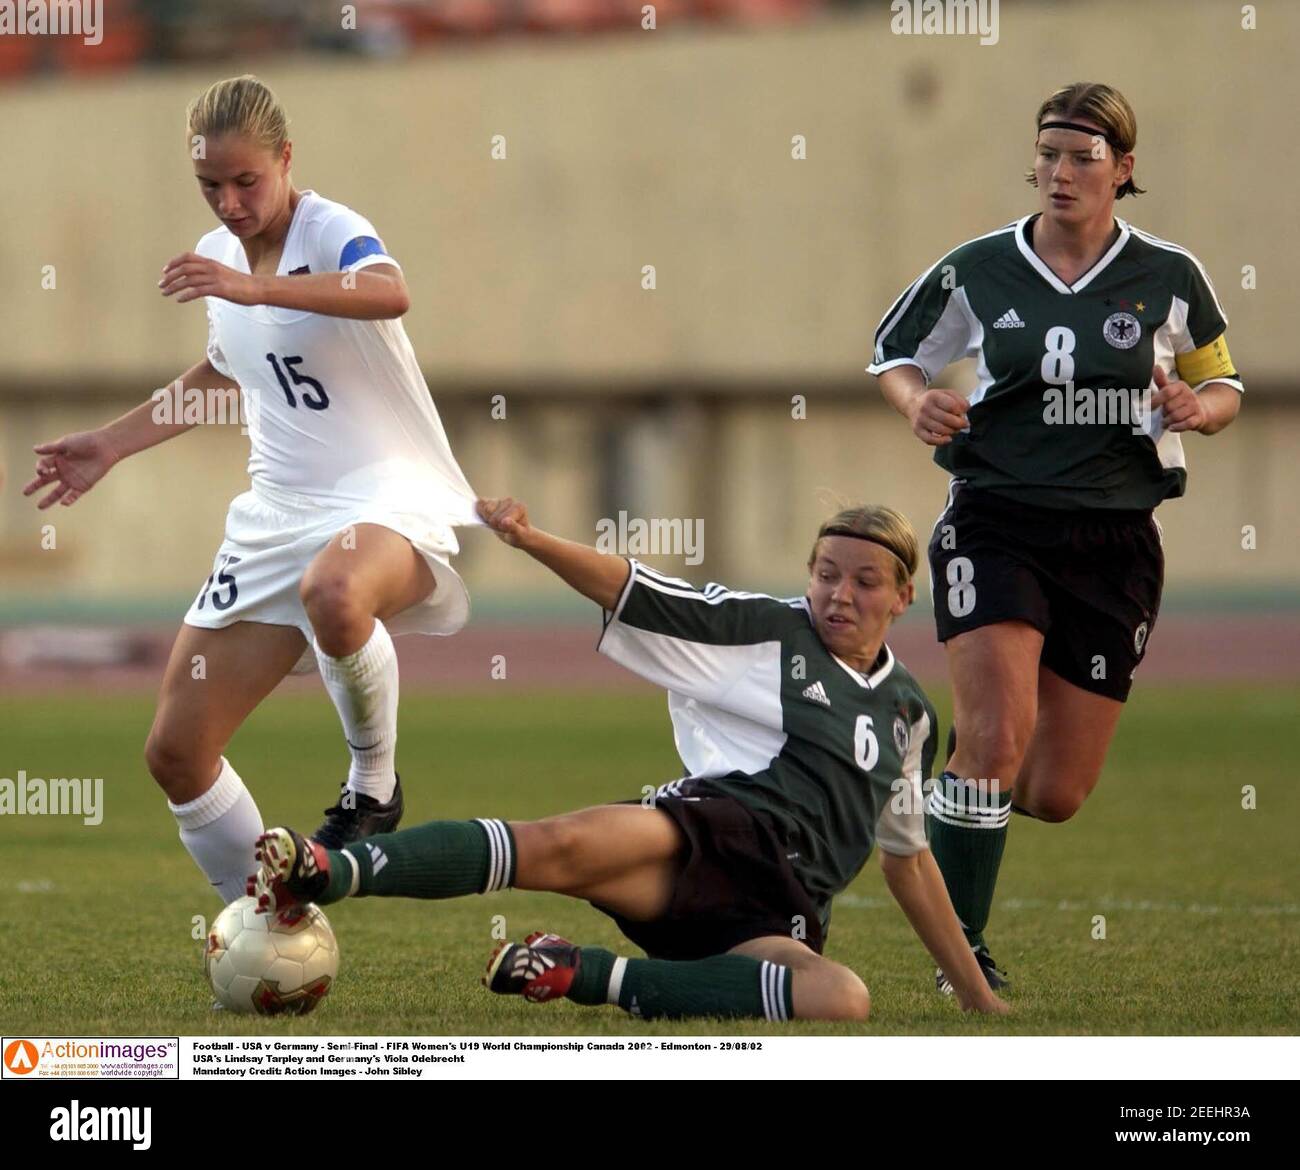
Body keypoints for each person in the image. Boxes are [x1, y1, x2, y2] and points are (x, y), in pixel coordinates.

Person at [249, 496, 1009, 1022]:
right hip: (717, 830)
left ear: (904, 594)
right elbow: (640, 591)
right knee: (558, 846)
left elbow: (907, 860)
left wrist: (977, 994)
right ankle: (329, 869)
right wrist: (532, 539)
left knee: (843, 998)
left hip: (781, 906)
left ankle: (585, 974)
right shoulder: (766, 630)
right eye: (826, 573)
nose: (839, 594)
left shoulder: (909, 710)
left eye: (865, 581)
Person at [22, 75, 480, 900]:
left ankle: (373, 786)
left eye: (246, 182)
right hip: (275, 514)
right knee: (175, 753)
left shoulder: (330, 228)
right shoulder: (221, 259)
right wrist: (113, 444)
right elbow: (228, 368)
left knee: (336, 590)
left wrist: (257, 288)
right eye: (210, 186)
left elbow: (389, 290)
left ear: (286, 159)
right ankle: (268, 923)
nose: (229, 204)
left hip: (384, 497)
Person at [869, 82, 1243, 993]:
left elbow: (1226, 387)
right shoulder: (979, 267)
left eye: (1082, 156)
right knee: (994, 744)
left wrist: (1201, 408)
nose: (1060, 172)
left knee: (1052, 793)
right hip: (997, 517)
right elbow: (893, 354)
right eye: (1047, 153)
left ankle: (956, 780)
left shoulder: (1168, 276)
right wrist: (921, 402)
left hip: (1116, 540)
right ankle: (963, 962)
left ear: (1124, 169)